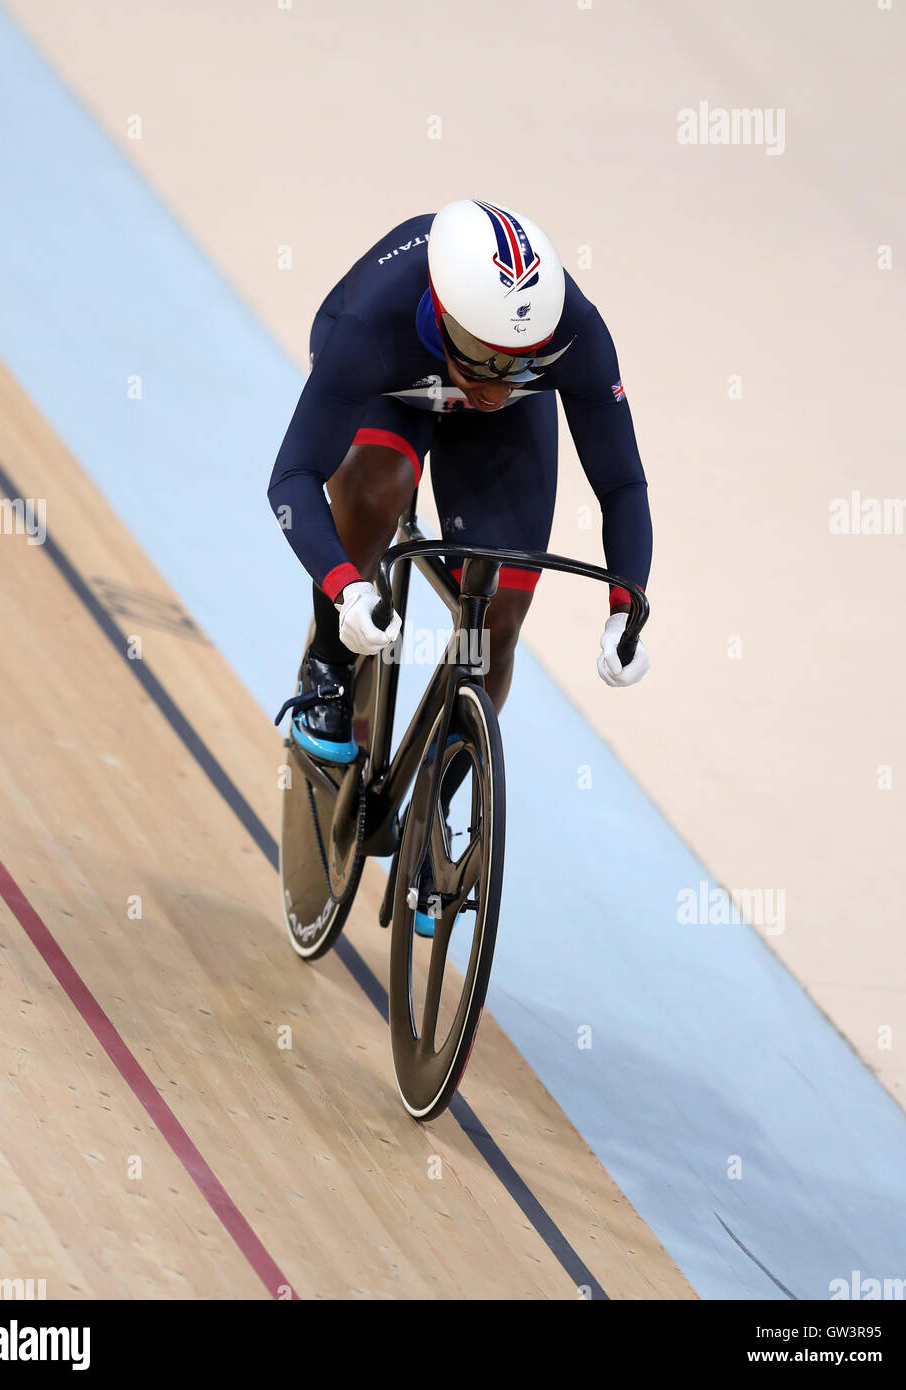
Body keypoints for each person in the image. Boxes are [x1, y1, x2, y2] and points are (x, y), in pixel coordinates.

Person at [268, 199, 652, 932]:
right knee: (374, 485)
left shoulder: (569, 331)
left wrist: (624, 605)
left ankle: (432, 819)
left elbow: (621, 482)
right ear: (444, 315)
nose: (499, 381)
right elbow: (290, 480)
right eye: (484, 361)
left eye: (522, 363)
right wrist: (344, 589)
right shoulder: (371, 326)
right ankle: (328, 667)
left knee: (496, 620)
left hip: (495, 433)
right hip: (394, 382)